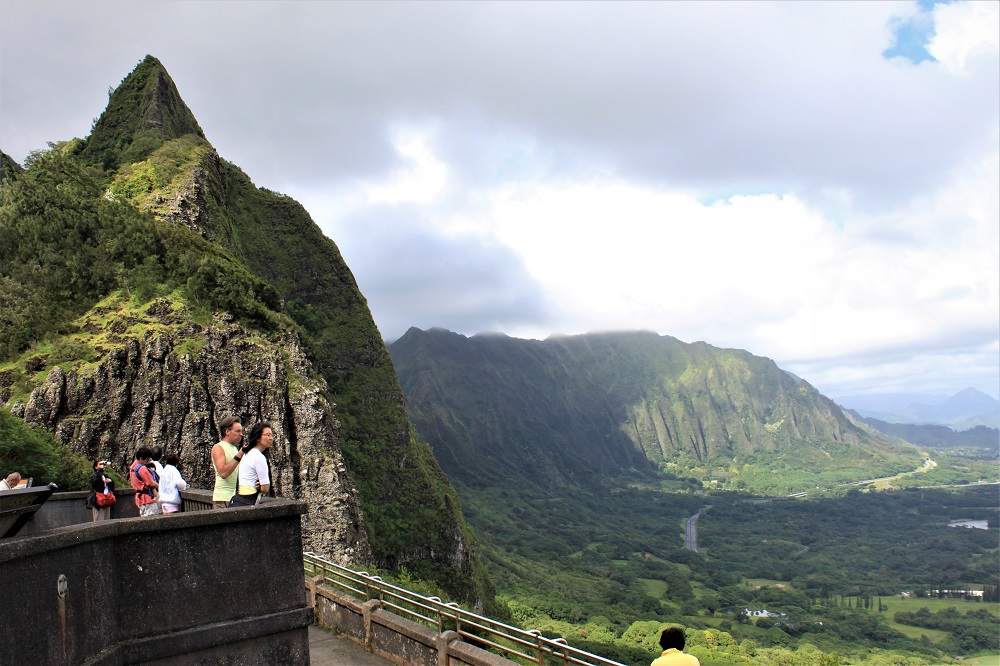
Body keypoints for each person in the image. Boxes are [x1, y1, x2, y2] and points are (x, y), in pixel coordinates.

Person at [230, 422, 274, 506]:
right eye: (268, 435)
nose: (271, 438)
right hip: (250, 499)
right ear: (257, 438)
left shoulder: (247, 453)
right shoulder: (259, 457)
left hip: (240, 498)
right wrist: (261, 486)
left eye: (272, 435)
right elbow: (265, 488)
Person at [211, 416, 245, 509]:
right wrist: (239, 456)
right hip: (223, 499)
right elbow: (223, 473)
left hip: (234, 497)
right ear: (227, 432)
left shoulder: (234, 448)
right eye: (238, 431)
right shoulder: (218, 447)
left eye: (242, 431)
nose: (241, 434)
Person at [129, 448, 160, 517]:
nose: (148, 461)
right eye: (147, 459)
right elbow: (150, 483)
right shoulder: (142, 468)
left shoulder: (133, 466)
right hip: (147, 498)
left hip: (139, 498)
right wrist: (161, 486)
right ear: (141, 458)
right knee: (152, 520)